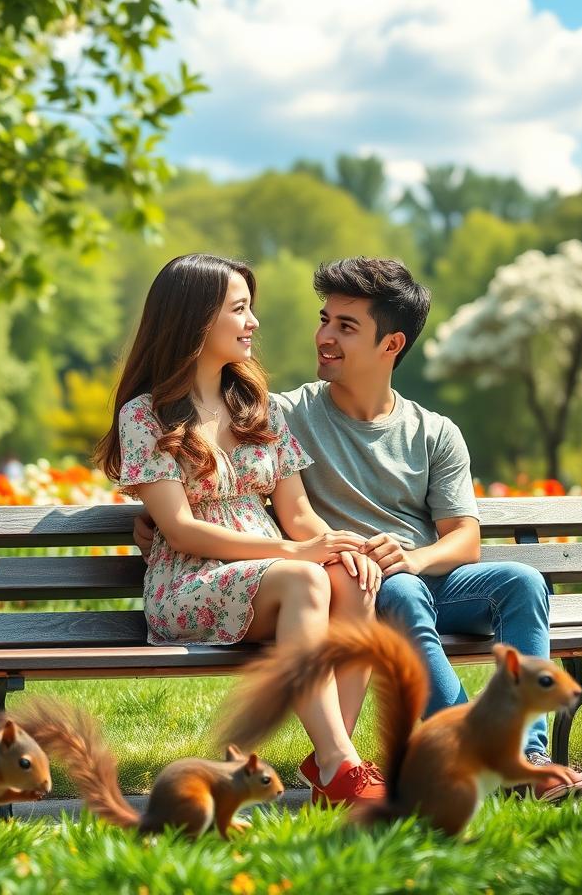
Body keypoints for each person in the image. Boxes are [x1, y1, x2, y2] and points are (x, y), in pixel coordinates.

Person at [136, 256, 582, 803]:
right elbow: (199, 472)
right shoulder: (282, 410)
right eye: (324, 320)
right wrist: (161, 522)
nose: (324, 337)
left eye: (345, 326)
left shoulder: (434, 432)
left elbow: (465, 538)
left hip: (412, 574)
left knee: (521, 582)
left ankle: (526, 753)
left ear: (391, 344)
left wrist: (411, 558)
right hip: (351, 580)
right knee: (391, 588)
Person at [96, 253, 387, 807]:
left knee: (352, 579)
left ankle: (335, 763)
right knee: (307, 579)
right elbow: (181, 530)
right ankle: (340, 765)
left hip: (268, 575)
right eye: (239, 309)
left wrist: (339, 547)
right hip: (189, 583)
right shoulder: (144, 415)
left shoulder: (259, 408)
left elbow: (298, 514)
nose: (253, 322)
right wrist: (297, 553)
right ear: (196, 319)